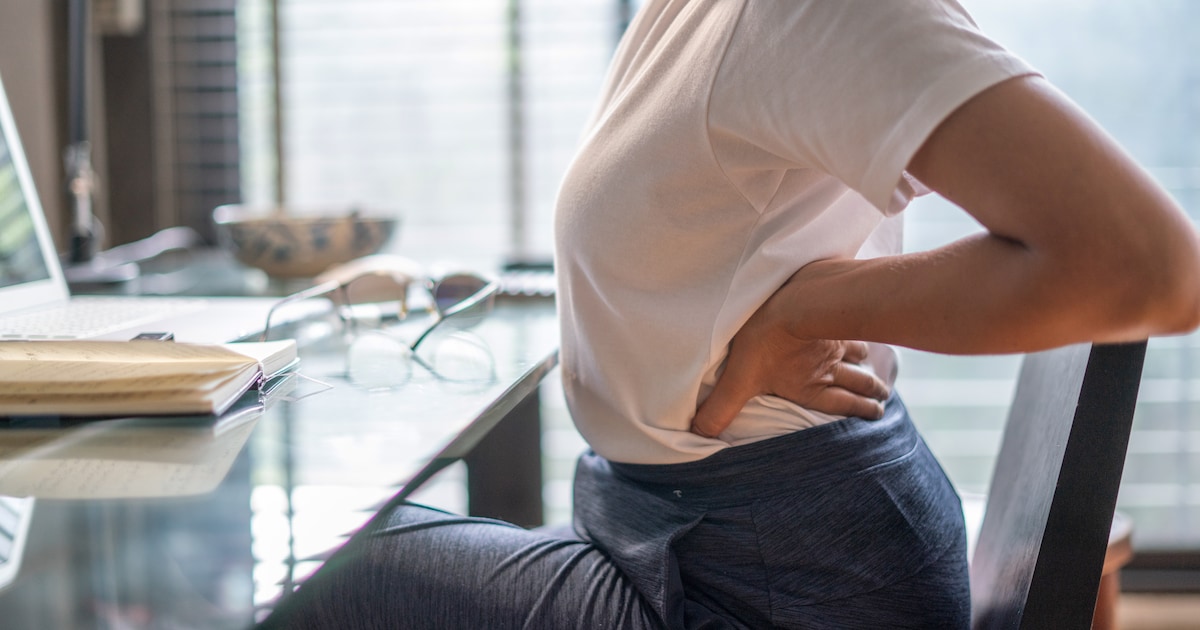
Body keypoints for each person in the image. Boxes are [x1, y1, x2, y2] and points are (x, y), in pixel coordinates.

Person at [262, 1, 1200, 628]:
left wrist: (809, 310)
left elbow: (1150, 269)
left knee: (305, 569)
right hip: (687, 535)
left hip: (775, 583)